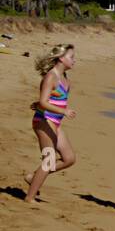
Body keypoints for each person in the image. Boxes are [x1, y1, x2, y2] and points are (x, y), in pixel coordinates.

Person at [23, 44, 77, 202]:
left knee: (69, 158)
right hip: (43, 121)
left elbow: (49, 99)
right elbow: (44, 101)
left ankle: (33, 177)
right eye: (71, 57)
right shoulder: (51, 77)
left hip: (55, 123)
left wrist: (40, 103)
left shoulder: (65, 79)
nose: (74, 60)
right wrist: (64, 111)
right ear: (61, 58)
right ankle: (30, 197)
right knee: (49, 160)